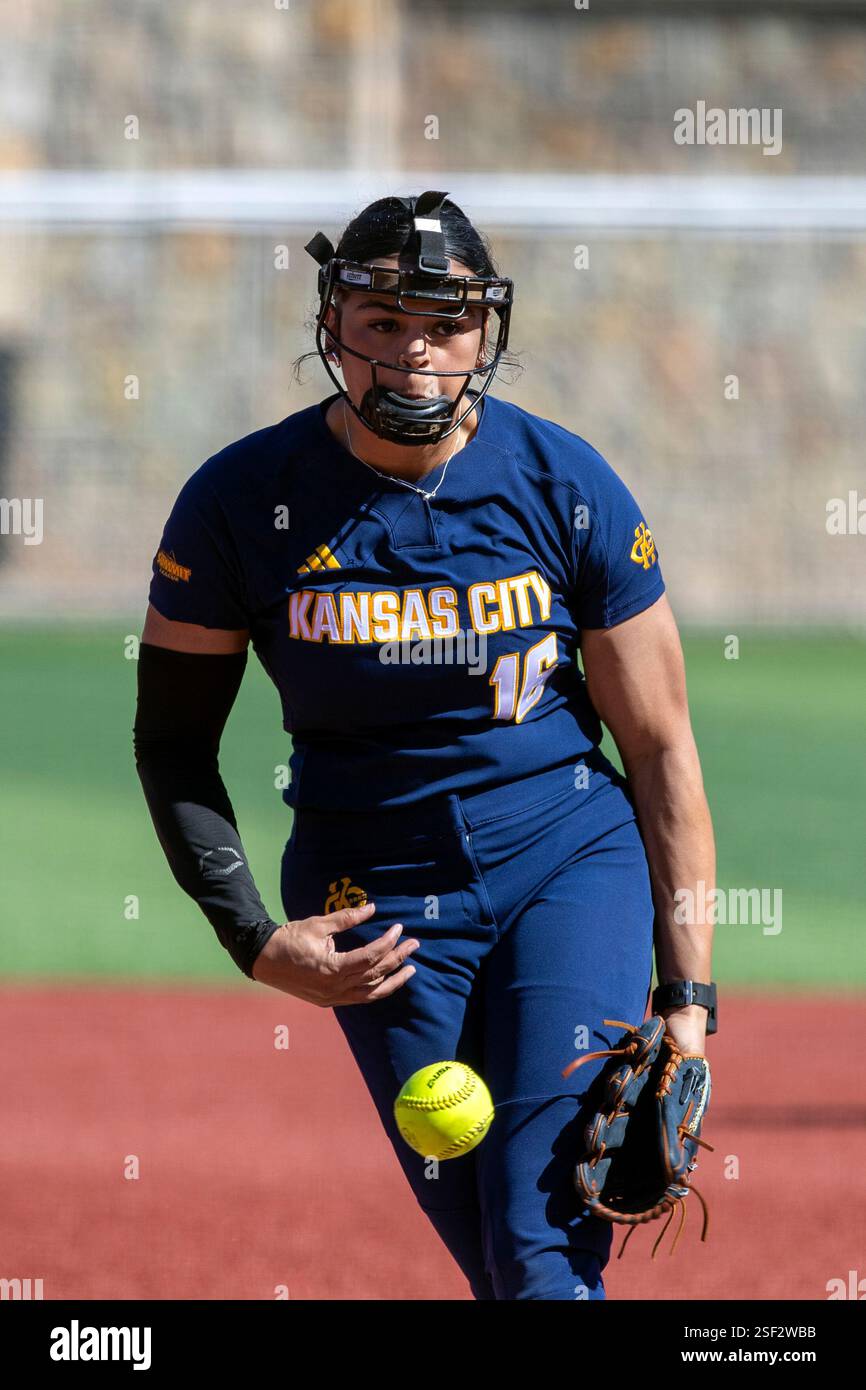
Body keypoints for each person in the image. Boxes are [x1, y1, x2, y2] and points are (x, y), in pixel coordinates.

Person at [134, 190, 717, 1301]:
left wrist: (688, 997)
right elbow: (172, 746)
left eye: (442, 324)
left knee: (541, 1243)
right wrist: (255, 940)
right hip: (376, 906)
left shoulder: (563, 485)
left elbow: (659, 749)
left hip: (566, 864)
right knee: (493, 1257)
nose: (413, 353)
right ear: (331, 322)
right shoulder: (239, 501)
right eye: (383, 319)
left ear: (485, 334)